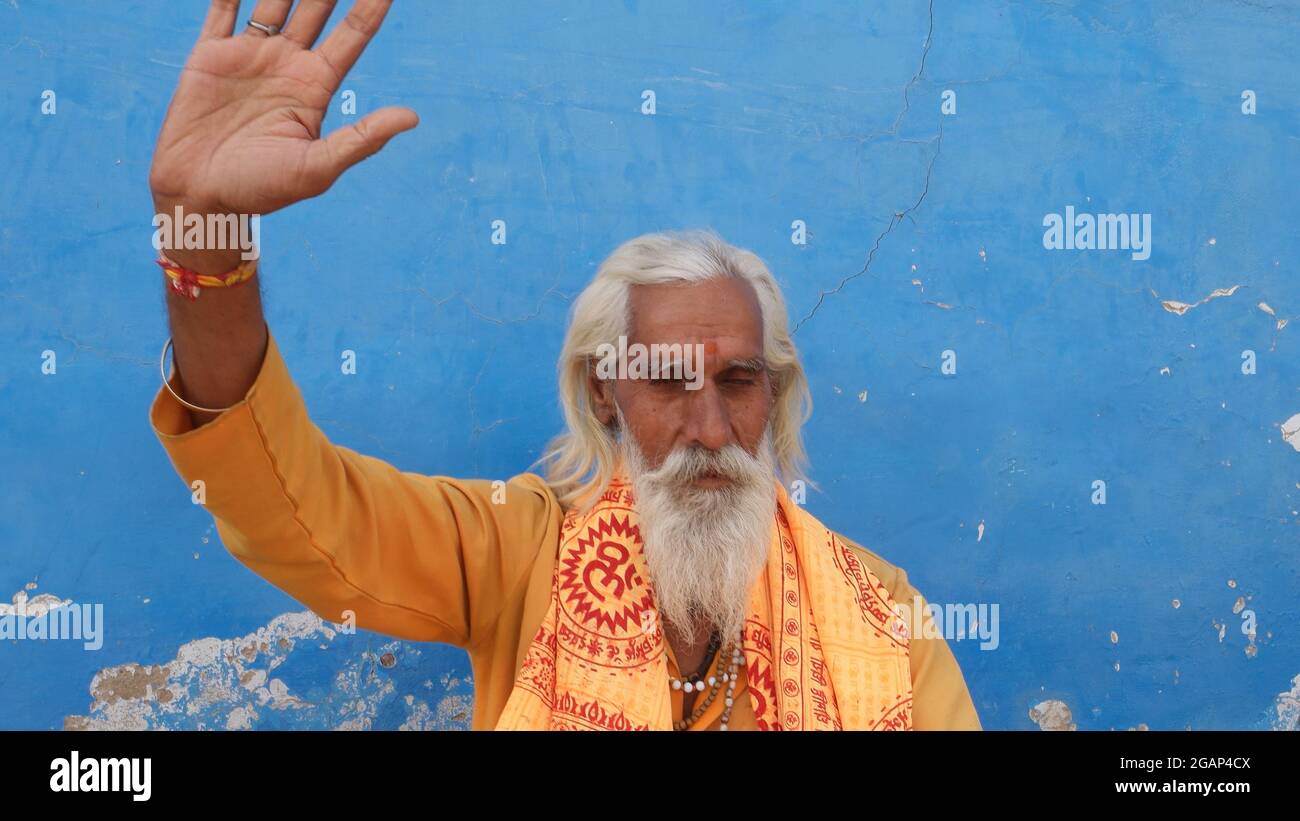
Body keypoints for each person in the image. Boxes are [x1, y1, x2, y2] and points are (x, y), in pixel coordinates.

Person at [149, 0, 981, 731]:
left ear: (776, 392)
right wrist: (201, 232)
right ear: (604, 390)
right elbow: (296, 511)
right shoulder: (518, 552)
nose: (712, 428)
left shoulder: (878, 613)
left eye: (739, 380)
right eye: (666, 379)